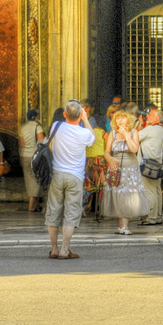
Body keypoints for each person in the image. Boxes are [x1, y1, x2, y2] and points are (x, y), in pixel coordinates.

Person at [45, 101, 93, 259]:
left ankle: (54, 248)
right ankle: (65, 249)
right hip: (75, 176)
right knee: (71, 213)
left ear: (65, 114)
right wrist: (85, 120)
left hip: (57, 173)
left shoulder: (56, 126)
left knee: (54, 210)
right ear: (81, 114)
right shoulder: (84, 133)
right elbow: (92, 138)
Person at [101, 111, 148, 234]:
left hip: (131, 169)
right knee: (118, 196)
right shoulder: (112, 133)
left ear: (128, 120)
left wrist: (126, 135)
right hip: (116, 169)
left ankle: (125, 226)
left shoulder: (134, 132)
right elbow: (106, 151)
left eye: (123, 118)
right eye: (118, 119)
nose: (120, 120)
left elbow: (134, 149)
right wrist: (110, 159)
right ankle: (121, 225)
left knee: (128, 196)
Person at [137, 107, 163, 226]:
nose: (147, 116)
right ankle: (157, 216)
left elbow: (135, 137)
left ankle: (151, 217)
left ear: (157, 118)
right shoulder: (161, 129)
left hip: (147, 165)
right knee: (156, 190)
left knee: (150, 191)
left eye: (150, 115)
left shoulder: (150, 129)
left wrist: (139, 123)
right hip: (156, 164)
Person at [19, 109, 47, 213]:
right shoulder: (37, 127)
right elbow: (41, 141)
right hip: (35, 156)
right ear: (36, 117)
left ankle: (36, 205)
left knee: (29, 179)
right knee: (36, 179)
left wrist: (21, 157)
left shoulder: (23, 127)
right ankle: (31, 205)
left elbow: (21, 144)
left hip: (25, 155)